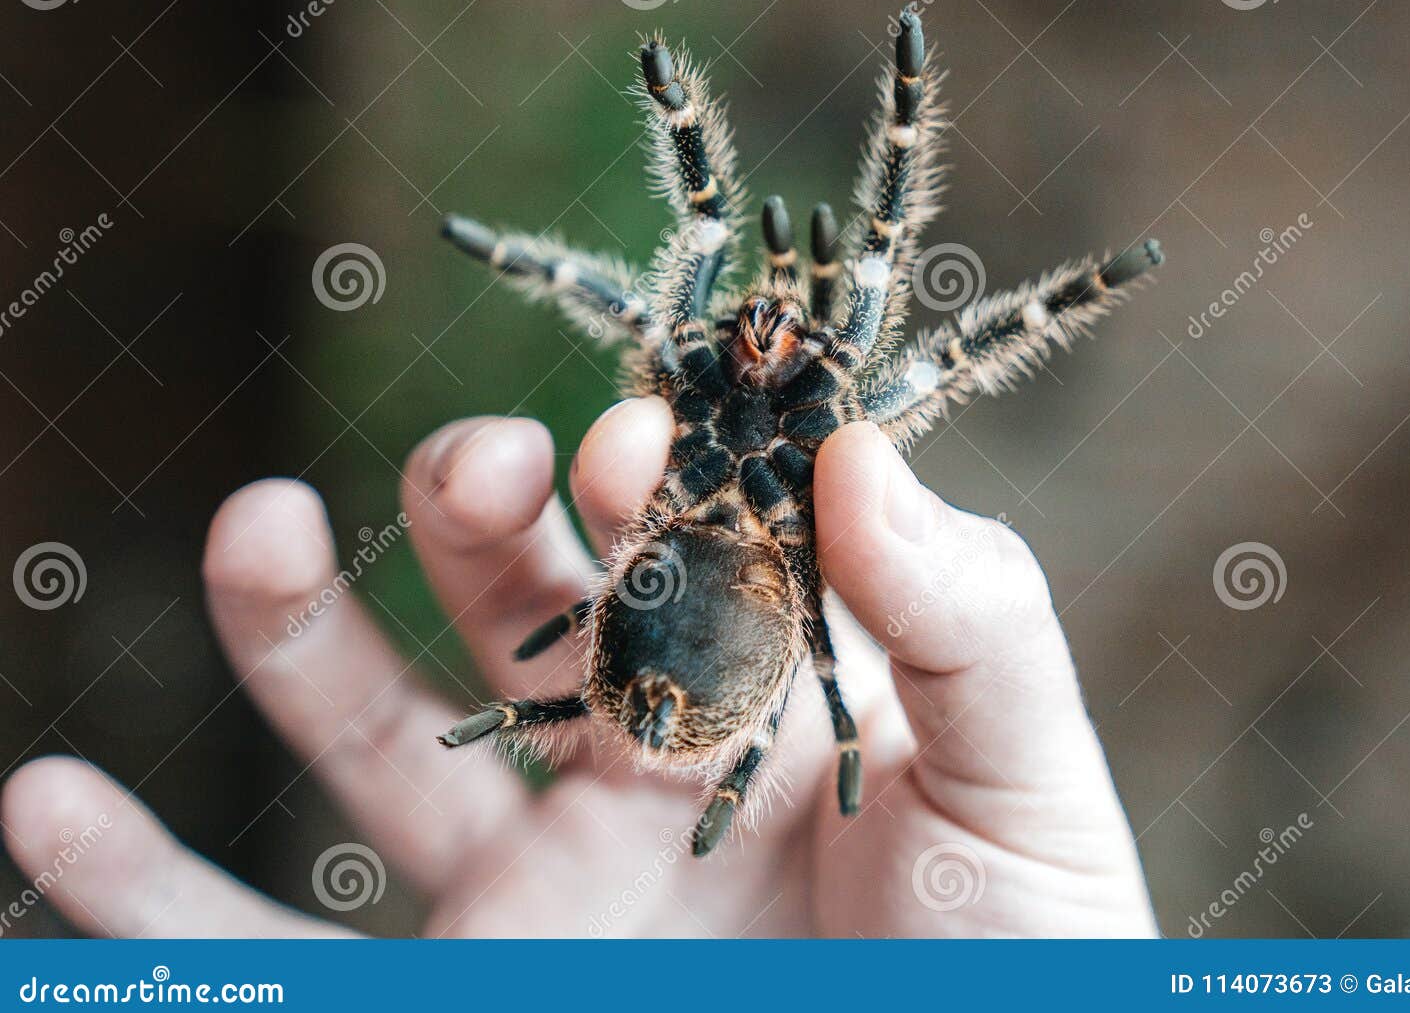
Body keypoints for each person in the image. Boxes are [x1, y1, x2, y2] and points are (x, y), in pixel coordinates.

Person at [1, 401, 1155, 936]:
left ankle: (568, 700)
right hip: (712, 591)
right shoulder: (714, 453)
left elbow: (822, 660)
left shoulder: (785, 496)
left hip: (715, 580)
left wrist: (842, 729)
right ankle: (578, 700)